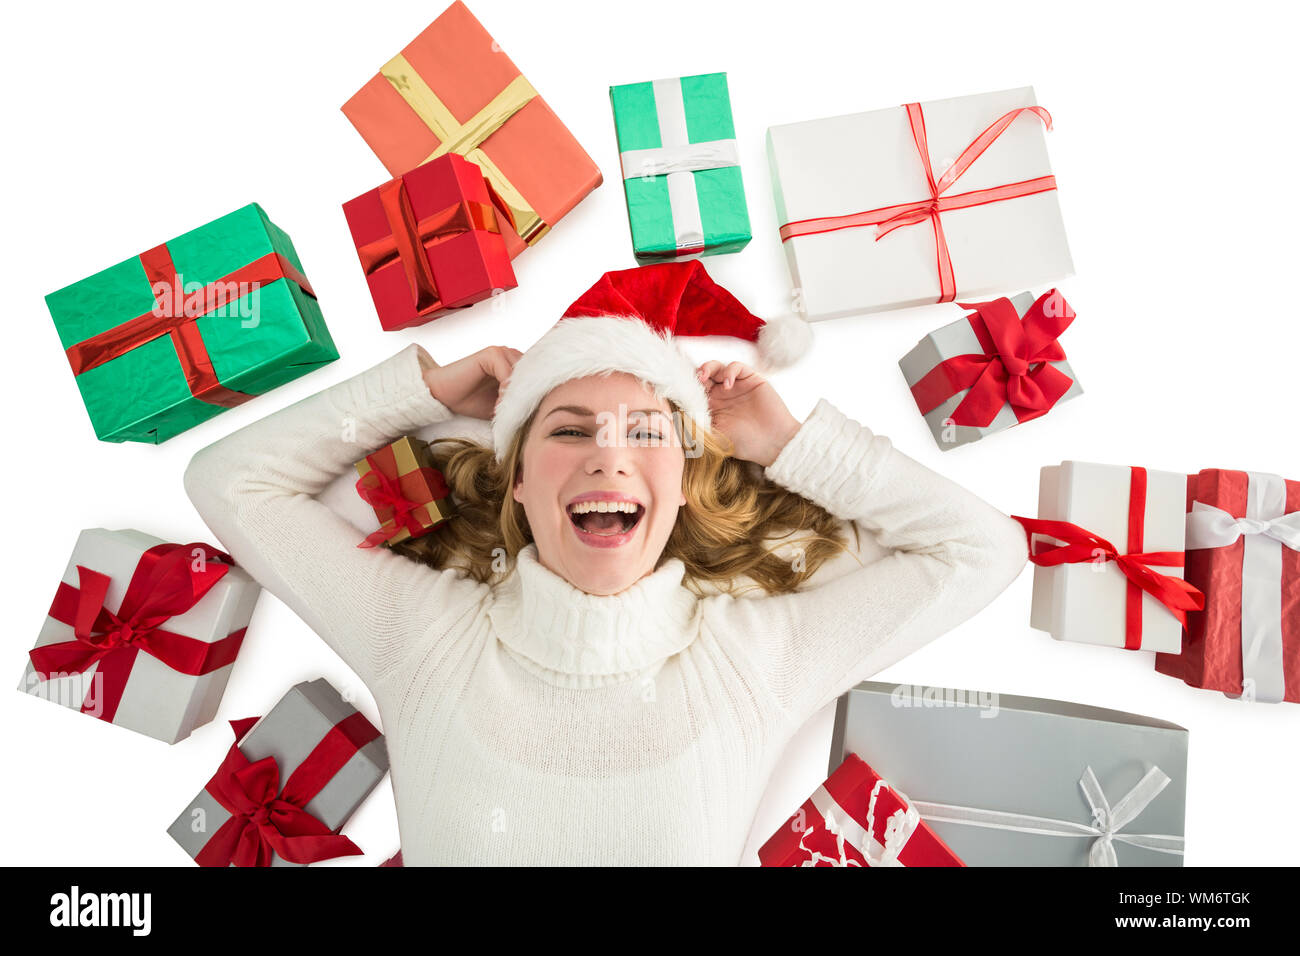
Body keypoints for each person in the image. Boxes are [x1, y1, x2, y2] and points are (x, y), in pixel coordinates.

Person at [184, 262, 1028, 865]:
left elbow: (985, 550)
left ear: (685, 483)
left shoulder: (757, 662)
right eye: (569, 428)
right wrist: (429, 393)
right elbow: (228, 484)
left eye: (647, 432)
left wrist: (787, 443)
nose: (609, 459)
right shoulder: (421, 634)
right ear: (518, 480)